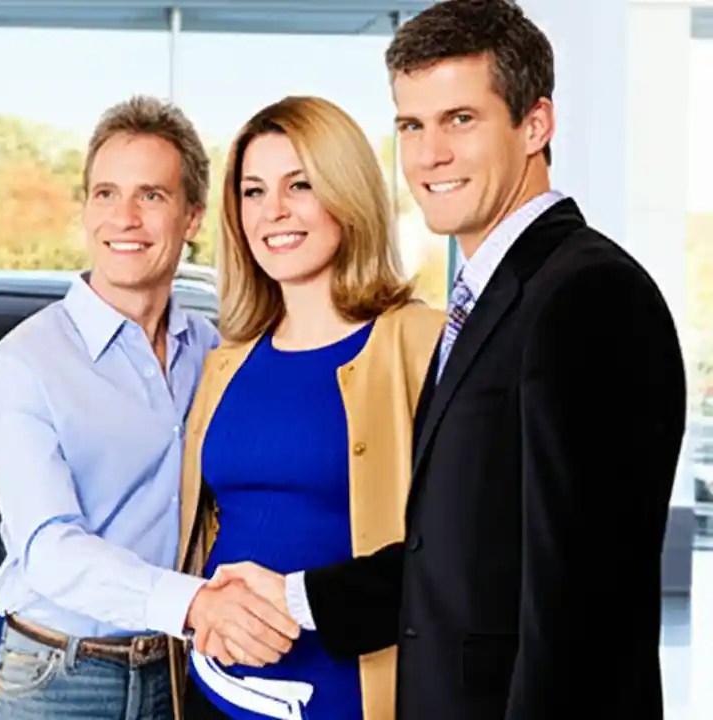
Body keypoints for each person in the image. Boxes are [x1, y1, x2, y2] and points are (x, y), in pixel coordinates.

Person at [210, 1, 689, 718]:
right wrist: (293, 596)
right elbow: (464, 559)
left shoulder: (589, 293)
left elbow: (589, 605)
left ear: (536, 124)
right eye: (412, 125)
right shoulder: (486, 299)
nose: (430, 154)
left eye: (460, 119)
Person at [0, 95, 299, 720]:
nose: (123, 218)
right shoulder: (27, 362)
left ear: (192, 217)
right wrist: (196, 603)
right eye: (104, 194)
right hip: (63, 677)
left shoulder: (213, 352)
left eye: (150, 196)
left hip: (185, 672)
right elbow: (48, 548)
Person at [166, 95, 444, 720]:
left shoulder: (420, 343)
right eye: (254, 191)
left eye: (301, 185)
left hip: (348, 697)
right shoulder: (225, 362)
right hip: (216, 692)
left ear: (348, 193)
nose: (275, 212)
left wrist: (296, 601)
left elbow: (458, 554)